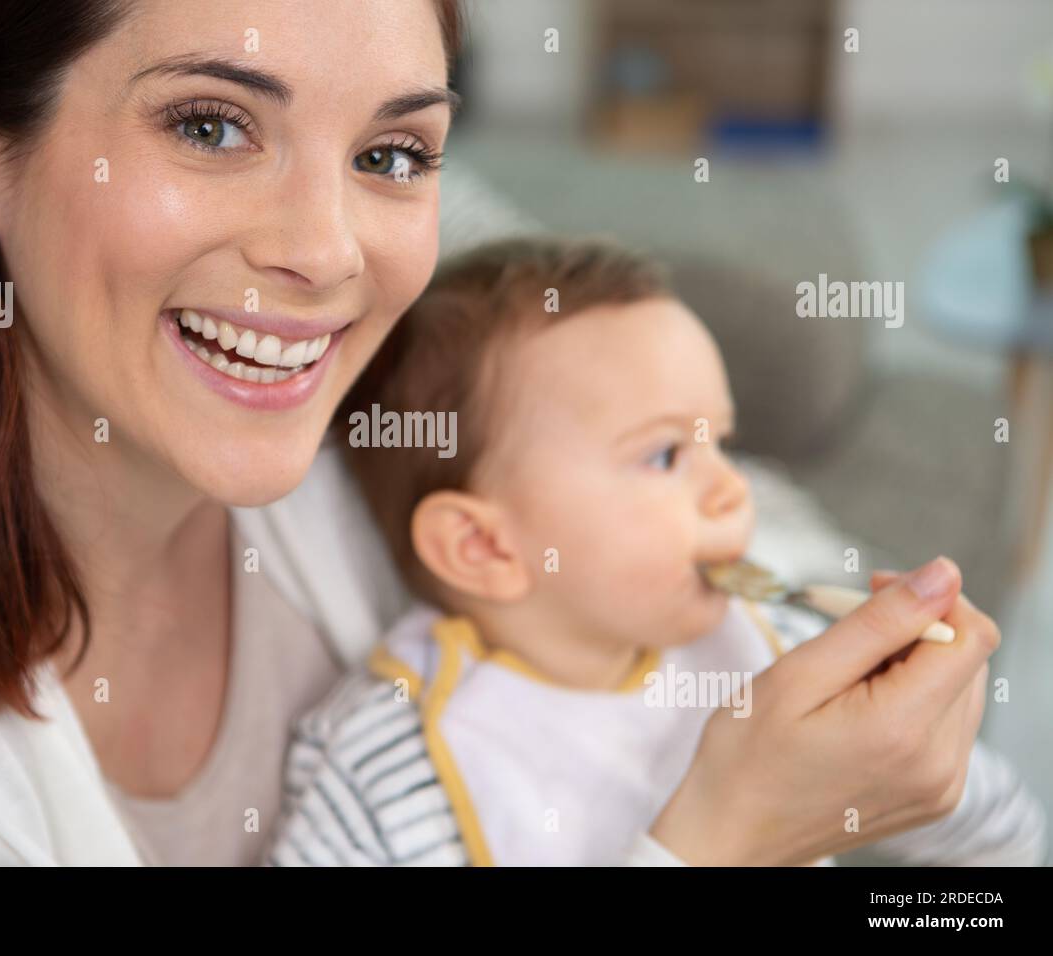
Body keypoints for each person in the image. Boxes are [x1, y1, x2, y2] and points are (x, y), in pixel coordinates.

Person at [0, 0, 1008, 867]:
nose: (326, 251)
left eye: (393, 151)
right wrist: (719, 834)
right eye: (209, 124)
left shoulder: (349, 419)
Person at [267, 236, 1046, 866]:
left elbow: (992, 828)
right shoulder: (386, 771)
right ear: (483, 546)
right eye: (666, 455)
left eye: (723, 443)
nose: (733, 493)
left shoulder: (781, 656)